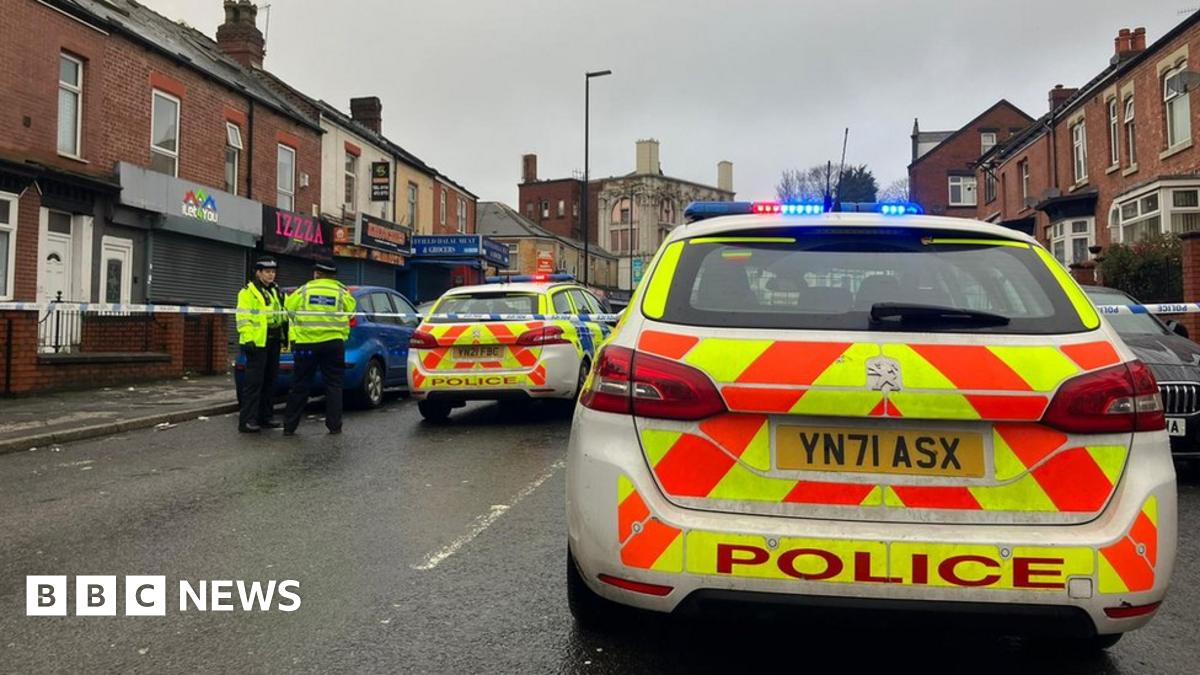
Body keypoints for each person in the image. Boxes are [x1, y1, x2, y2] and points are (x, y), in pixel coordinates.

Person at [282, 262, 356, 435]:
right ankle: (334, 426)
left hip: (306, 344)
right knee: (334, 385)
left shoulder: (304, 291)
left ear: (316, 274)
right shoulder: (341, 292)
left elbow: (289, 310)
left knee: (300, 384)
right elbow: (351, 313)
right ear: (333, 276)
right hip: (333, 344)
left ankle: (289, 426)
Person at [235, 256, 287, 433]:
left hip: (273, 340)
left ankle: (266, 417)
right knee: (253, 383)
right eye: (267, 272)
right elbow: (243, 317)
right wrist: (248, 338)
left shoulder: (276, 290)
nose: (271, 275)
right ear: (258, 273)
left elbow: (283, 313)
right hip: (257, 342)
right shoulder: (247, 292)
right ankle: (247, 420)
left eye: (273, 272)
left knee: (270, 381)